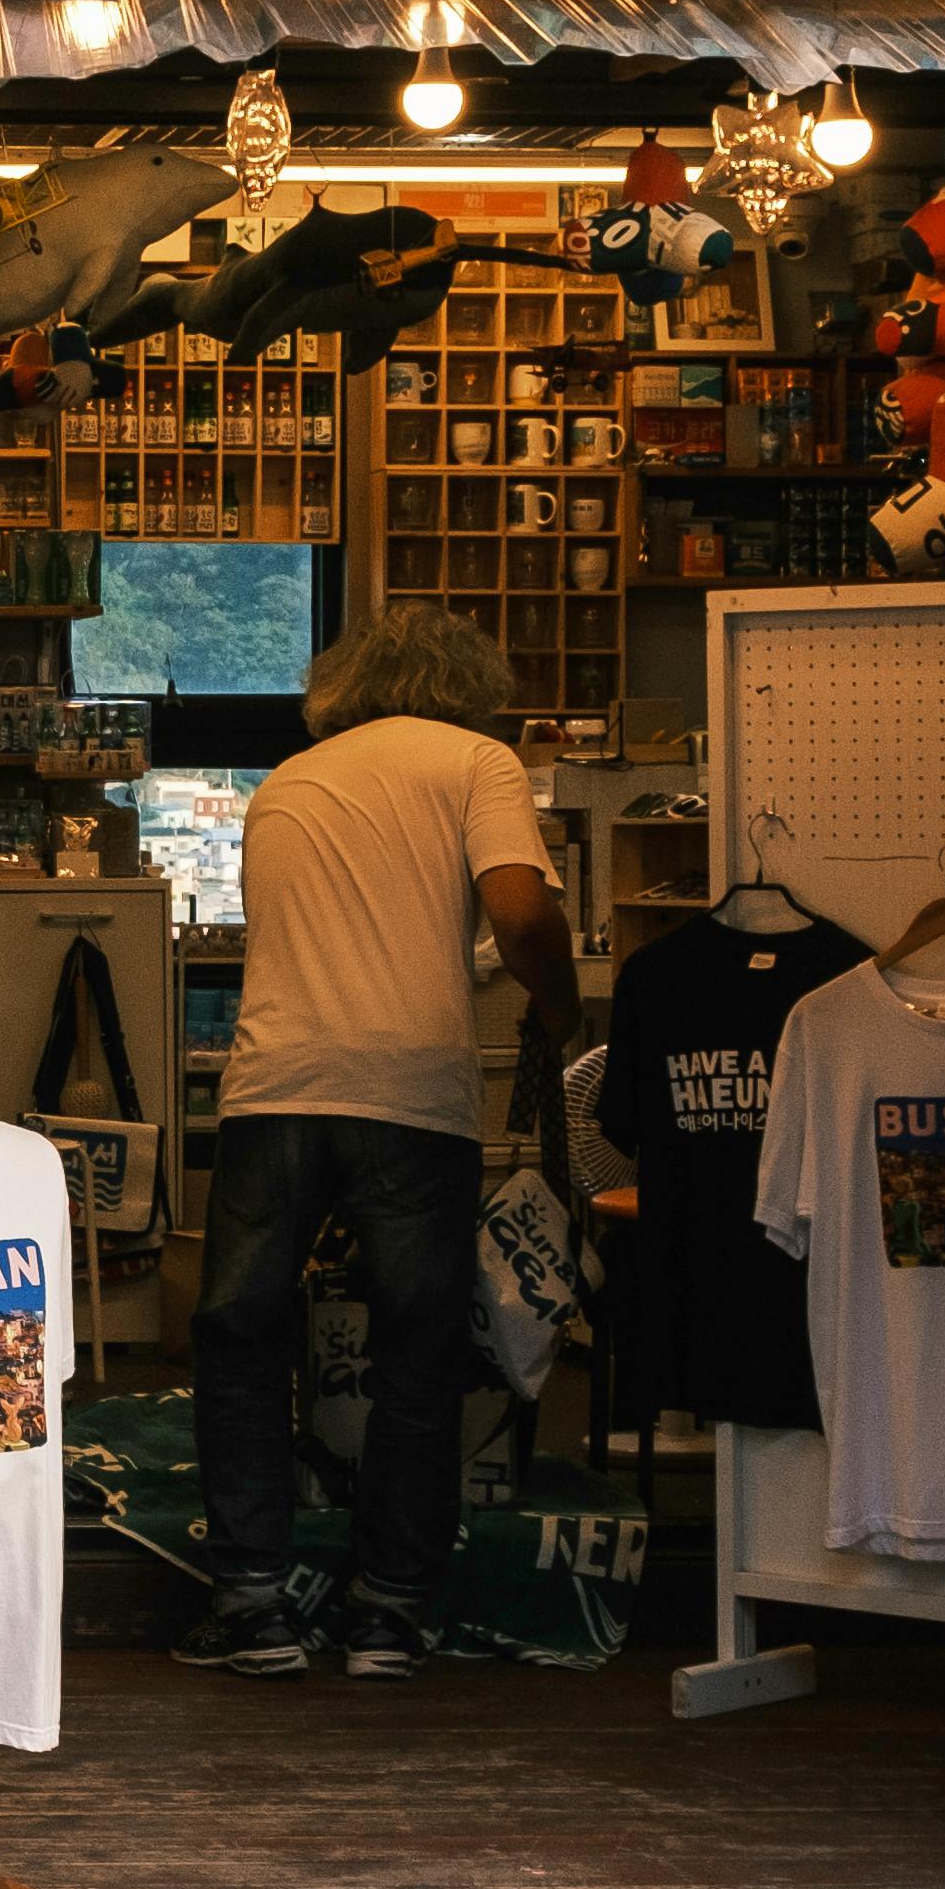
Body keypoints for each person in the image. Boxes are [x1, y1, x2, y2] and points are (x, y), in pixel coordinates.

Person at [181, 603, 580, 1682]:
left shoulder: (289, 781)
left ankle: (253, 1598)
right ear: (468, 677)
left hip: (275, 1085)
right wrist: (561, 1004)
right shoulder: (477, 761)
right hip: (412, 1091)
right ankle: (387, 1613)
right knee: (417, 1348)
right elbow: (520, 911)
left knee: (242, 1337)